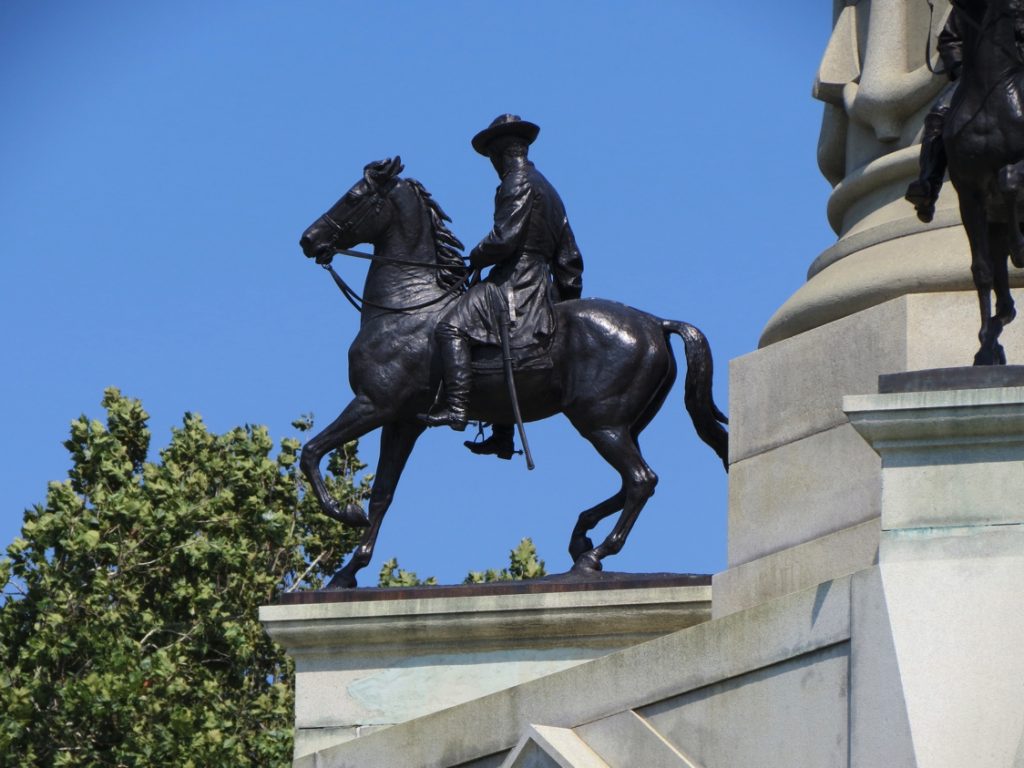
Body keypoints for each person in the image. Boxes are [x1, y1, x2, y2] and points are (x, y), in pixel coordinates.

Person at [418, 114, 584, 459]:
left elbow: (504, 240)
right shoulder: (550, 189)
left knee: (451, 325)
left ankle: (458, 408)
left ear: (502, 153)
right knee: (495, 345)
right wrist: (566, 302)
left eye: (493, 156)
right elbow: (570, 256)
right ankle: (501, 433)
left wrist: (476, 256)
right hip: (541, 283)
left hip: (515, 282)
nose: (493, 164)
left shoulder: (517, 182)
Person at [905, 8, 965, 223]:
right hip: (976, 75)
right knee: (938, 115)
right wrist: (961, 70)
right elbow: (950, 40)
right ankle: (928, 186)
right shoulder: (973, 4)